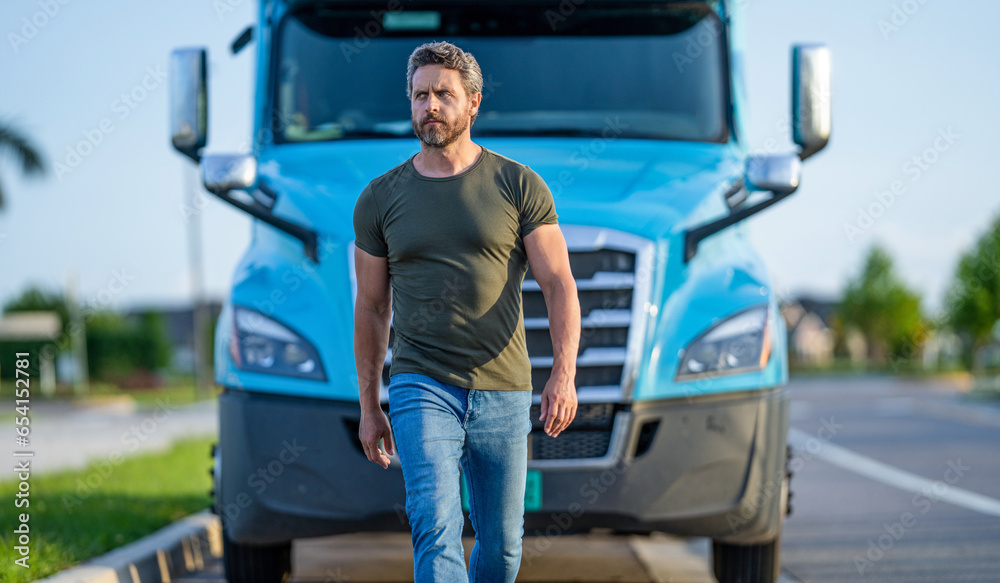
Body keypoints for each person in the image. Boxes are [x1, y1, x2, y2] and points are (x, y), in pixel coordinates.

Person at [352, 40, 581, 583]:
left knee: (501, 548)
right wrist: (369, 405)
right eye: (419, 96)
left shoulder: (518, 184)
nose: (429, 106)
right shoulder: (379, 199)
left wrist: (564, 375)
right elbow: (371, 306)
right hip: (420, 385)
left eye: (443, 95)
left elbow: (559, 283)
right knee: (435, 524)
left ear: (473, 102)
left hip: (504, 388)